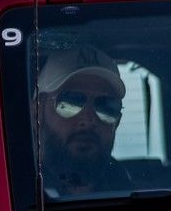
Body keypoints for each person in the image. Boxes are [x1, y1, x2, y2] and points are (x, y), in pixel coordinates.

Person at [36, 45, 131, 197]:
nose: (88, 119)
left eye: (106, 106)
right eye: (70, 102)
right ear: (38, 111)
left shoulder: (135, 199)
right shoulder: (10, 191)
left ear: (117, 121)